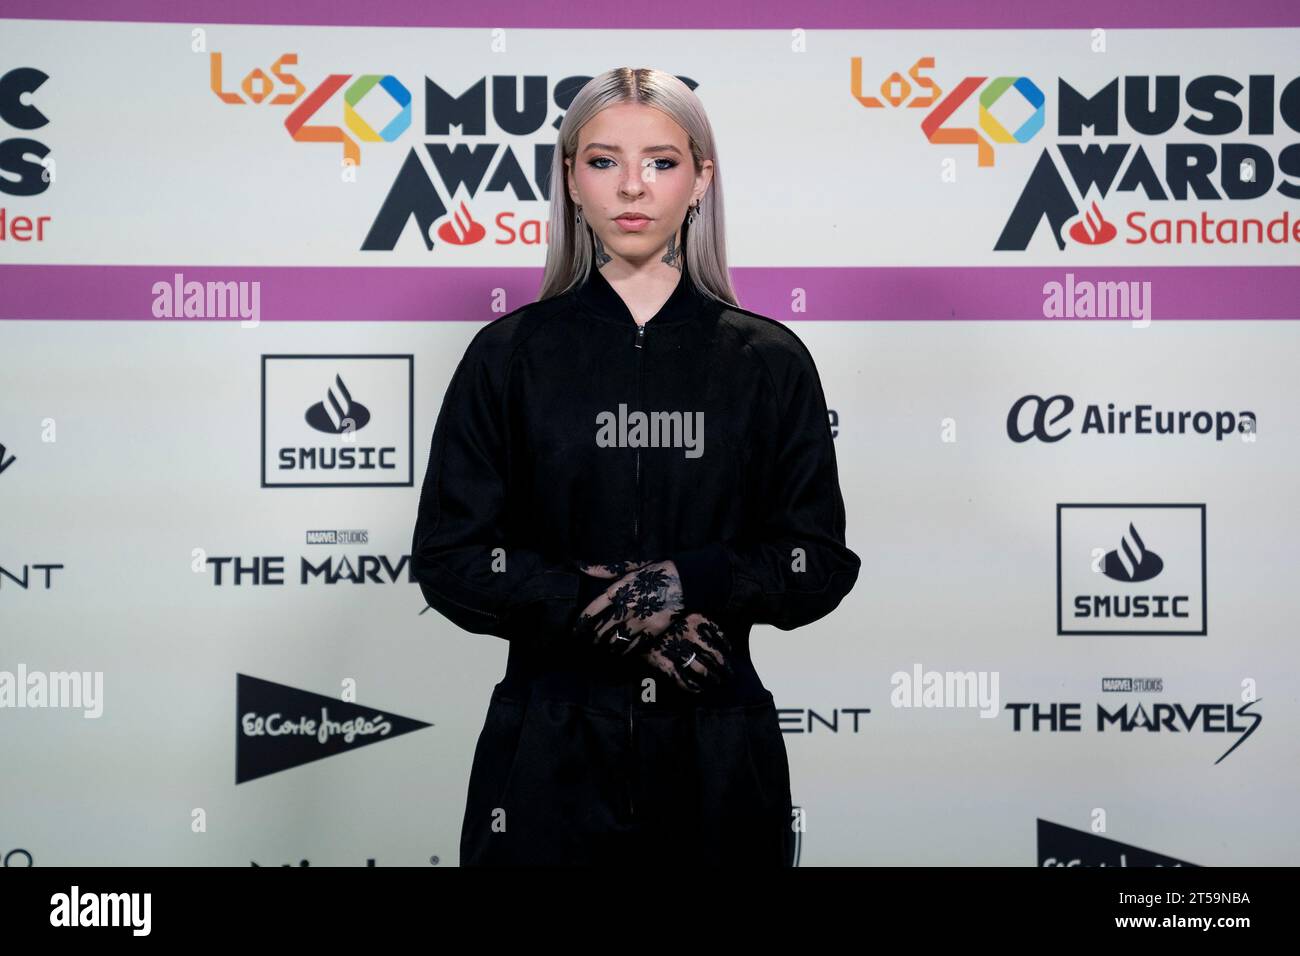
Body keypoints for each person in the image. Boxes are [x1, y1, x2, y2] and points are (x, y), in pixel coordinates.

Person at [411, 67, 860, 866]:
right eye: (602, 161)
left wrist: (687, 582)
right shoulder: (508, 357)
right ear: (570, 182)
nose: (632, 186)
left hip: (719, 760)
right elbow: (452, 559)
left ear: (700, 181)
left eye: (660, 161)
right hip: (547, 762)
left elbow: (816, 562)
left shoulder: (769, 362)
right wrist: (603, 605)